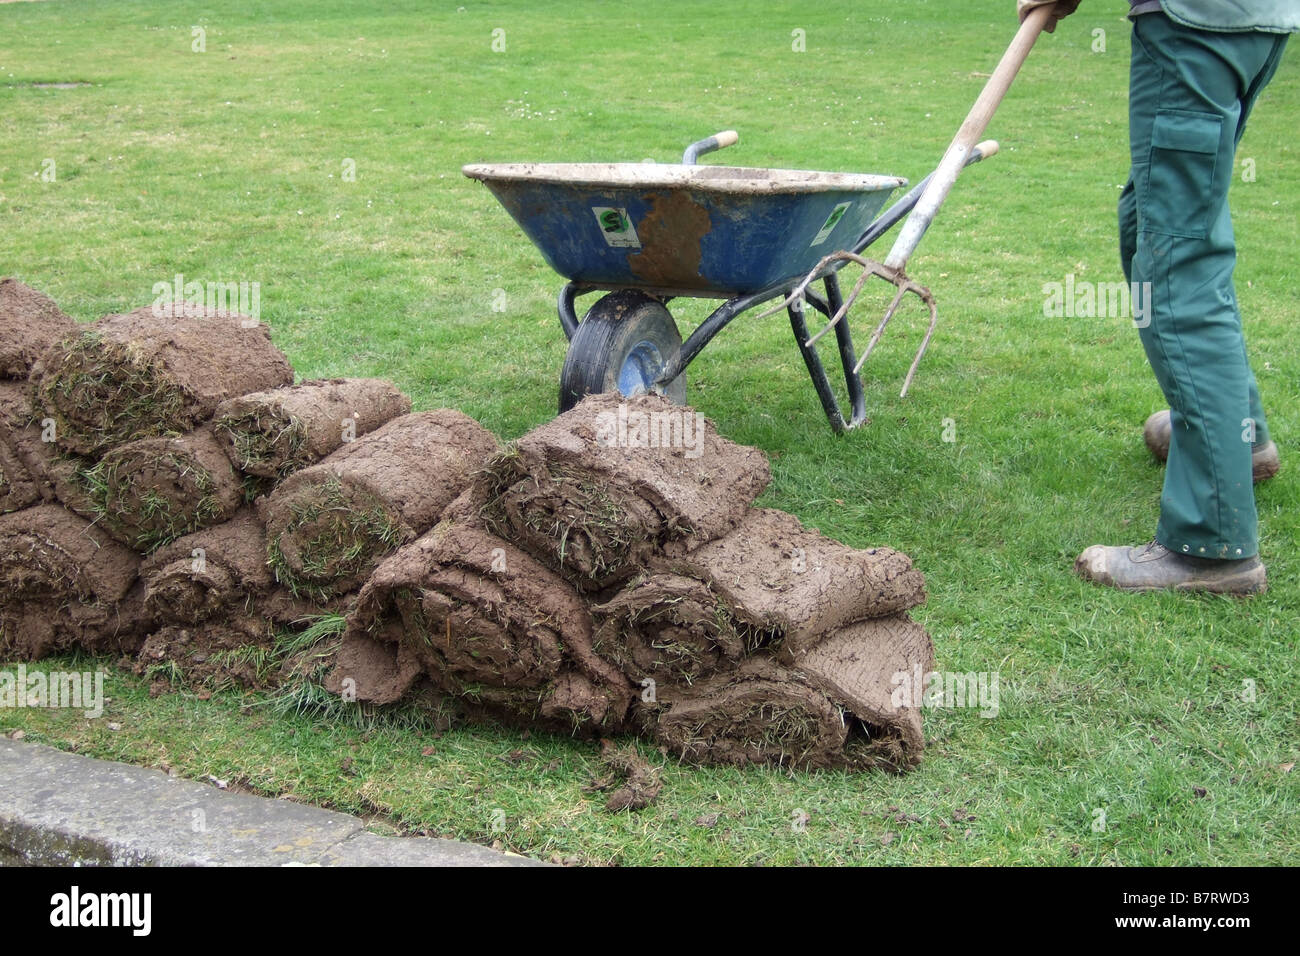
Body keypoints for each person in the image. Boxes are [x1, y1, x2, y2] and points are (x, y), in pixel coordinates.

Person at [1017, 0, 1298, 593]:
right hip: (1242, 19)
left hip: (1196, 24)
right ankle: (1237, 438)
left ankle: (1211, 542)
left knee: (1176, 265)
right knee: (1152, 226)